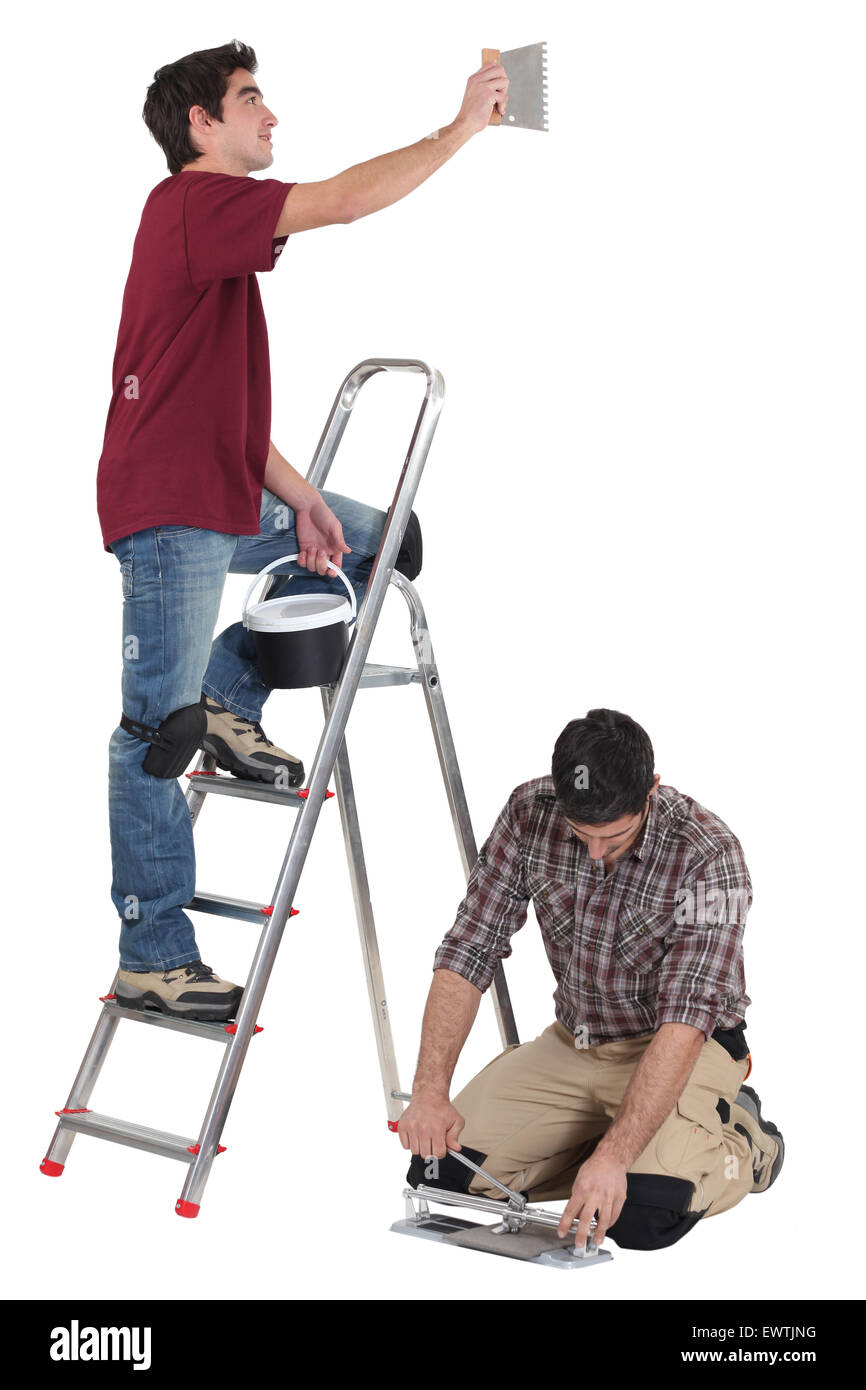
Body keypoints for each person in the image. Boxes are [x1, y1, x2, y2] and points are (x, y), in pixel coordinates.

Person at [97, 39, 509, 1023]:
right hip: (169, 505)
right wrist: (459, 130)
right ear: (201, 123)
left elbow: (220, 412)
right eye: (250, 101)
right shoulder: (190, 203)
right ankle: (153, 951)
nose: (270, 117)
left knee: (377, 541)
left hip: (224, 483)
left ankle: (231, 694)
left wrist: (303, 496)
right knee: (155, 737)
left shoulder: (212, 233)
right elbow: (345, 200)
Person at [398, 709, 784, 1252]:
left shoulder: (710, 852)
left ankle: (743, 1139)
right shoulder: (529, 812)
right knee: (441, 1171)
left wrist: (614, 1159)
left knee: (641, 1215)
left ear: (651, 789)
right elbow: (468, 949)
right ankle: (616, 1145)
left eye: (615, 836)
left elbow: (685, 1020)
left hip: (683, 1046)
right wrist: (430, 1092)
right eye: (582, 835)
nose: (595, 853)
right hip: (575, 1044)